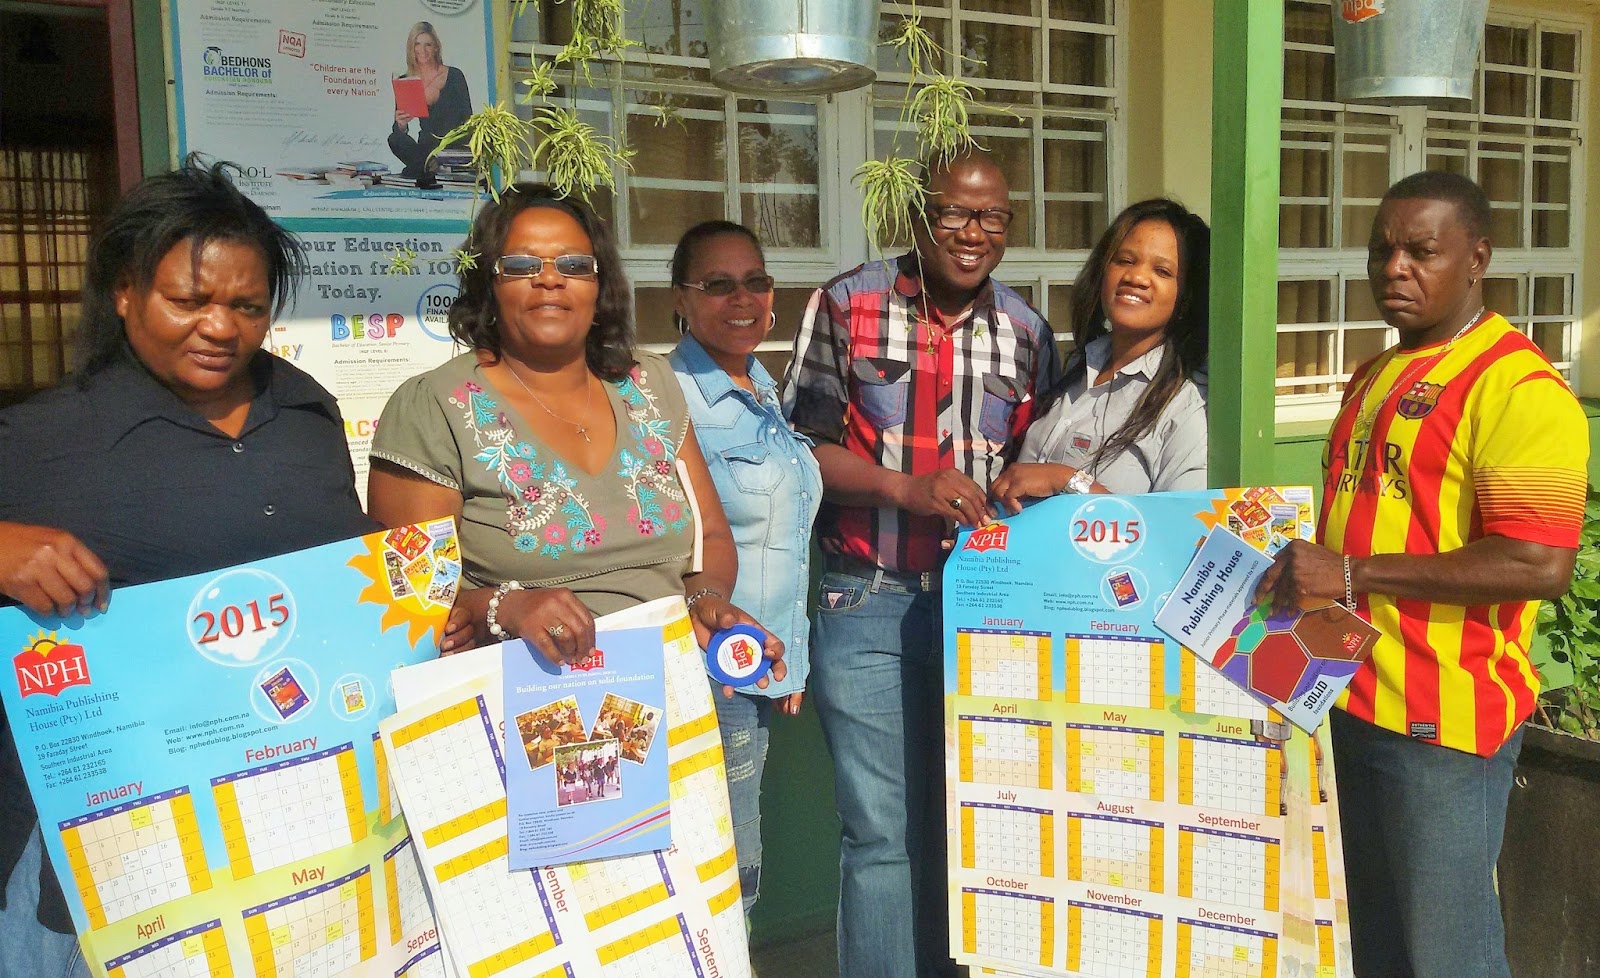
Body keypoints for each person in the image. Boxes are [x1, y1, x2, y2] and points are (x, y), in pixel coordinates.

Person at [0, 158, 385, 978]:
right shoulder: (41, 439)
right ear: (125, 293)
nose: (221, 327)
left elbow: (349, 581)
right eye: (190, 300)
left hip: (306, 835)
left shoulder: (306, 412)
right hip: (118, 856)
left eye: (247, 306)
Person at [1257, 170, 1588, 978]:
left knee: (1446, 952)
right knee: (1370, 938)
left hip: (1444, 721)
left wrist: (1353, 571)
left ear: (1477, 258)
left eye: (1421, 251)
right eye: (1382, 250)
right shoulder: (1373, 376)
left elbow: (1538, 562)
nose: (1394, 268)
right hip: (1346, 695)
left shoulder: (1518, 386)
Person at [782, 151, 1060, 977]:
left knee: (980, 820)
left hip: (987, 608)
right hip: (867, 597)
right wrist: (905, 488)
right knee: (881, 833)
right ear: (917, 216)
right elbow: (803, 451)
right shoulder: (847, 303)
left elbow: (1036, 465)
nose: (974, 235)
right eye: (955, 214)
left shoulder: (1029, 331)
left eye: (994, 218)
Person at [365, 182, 784, 698]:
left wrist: (708, 601)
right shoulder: (433, 407)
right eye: (521, 266)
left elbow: (710, 539)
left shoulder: (649, 385)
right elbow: (404, 599)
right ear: (488, 286)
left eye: (573, 266)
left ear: (599, 285)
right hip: (516, 711)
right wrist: (505, 608)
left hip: (672, 692)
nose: (549, 281)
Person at [667, 220, 822, 920]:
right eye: (718, 284)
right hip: (706, 671)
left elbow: (781, 537)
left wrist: (783, 661)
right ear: (682, 299)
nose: (743, 298)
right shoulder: (669, 401)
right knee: (727, 871)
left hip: (754, 666)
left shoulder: (764, 389)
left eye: (756, 281)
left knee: (736, 858)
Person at [992, 197, 1210, 507]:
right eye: (1125, 260)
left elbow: (1181, 530)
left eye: (1162, 271)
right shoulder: (1079, 367)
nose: (1136, 278)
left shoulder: (1188, 405)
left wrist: (1066, 480)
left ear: (1187, 296)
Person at [388, 22, 472, 185]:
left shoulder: (454, 75)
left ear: (435, 48)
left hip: (452, 144)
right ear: (411, 48)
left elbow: (468, 118)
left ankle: (420, 169)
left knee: (421, 165)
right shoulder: (406, 80)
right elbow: (398, 132)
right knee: (394, 139)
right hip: (426, 147)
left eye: (428, 44)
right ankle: (426, 167)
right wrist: (401, 125)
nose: (422, 50)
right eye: (417, 44)